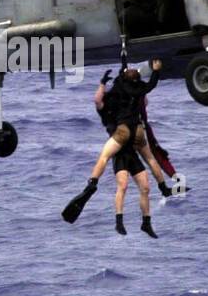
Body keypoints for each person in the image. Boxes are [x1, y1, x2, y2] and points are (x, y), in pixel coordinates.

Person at [62, 60, 165, 225]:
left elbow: (98, 100)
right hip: (135, 138)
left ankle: (93, 185)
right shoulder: (131, 96)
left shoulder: (108, 104)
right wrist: (150, 76)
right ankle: (160, 193)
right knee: (145, 181)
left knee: (110, 167)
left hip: (121, 145)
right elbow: (143, 100)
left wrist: (102, 84)